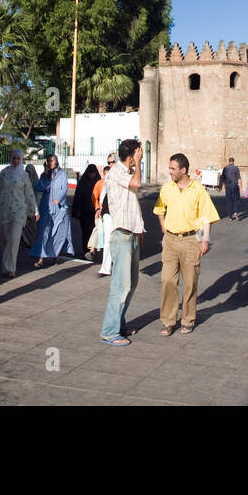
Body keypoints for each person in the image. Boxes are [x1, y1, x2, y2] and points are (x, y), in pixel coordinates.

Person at [154, 152, 220, 335]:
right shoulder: (167, 188)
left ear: (183, 170)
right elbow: (160, 209)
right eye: (169, 168)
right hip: (171, 240)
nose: (170, 172)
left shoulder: (198, 190)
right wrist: (163, 226)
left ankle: (188, 319)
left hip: (192, 240)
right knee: (167, 280)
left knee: (190, 282)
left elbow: (206, 216)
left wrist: (205, 240)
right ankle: (168, 320)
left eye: (173, 168)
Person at [100, 138, 145, 346]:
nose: (142, 154)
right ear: (134, 153)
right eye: (140, 151)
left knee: (131, 283)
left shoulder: (126, 173)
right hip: (121, 234)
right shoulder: (118, 171)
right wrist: (138, 163)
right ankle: (109, 331)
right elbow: (137, 183)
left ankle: (118, 323)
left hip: (132, 233)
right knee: (121, 284)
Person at [0, 149, 39, 278]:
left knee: (14, 239)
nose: (15, 161)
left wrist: (35, 210)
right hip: (4, 210)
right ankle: (6, 266)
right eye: (14, 158)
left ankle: (10, 269)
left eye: (18, 159)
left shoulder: (24, 175)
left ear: (21, 160)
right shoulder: (4, 173)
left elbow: (29, 194)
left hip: (19, 211)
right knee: (6, 240)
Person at [31, 154, 73, 267]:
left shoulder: (62, 174)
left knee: (58, 232)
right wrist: (45, 177)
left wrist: (58, 199)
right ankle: (41, 258)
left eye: (53, 161)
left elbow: (64, 188)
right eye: (49, 161)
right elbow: (39, 187)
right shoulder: (44, 176)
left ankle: (55, 254)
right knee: (43, 232)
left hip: (58, 207)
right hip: (46, 207)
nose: (51, 163)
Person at [73, 163, 101, 260]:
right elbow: (78, 197)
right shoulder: (83, 182)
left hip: (94, 212)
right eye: (90, 173)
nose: (92, 175)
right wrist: (77, 210)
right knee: (85, 231)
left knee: (93, 231)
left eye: (93, 173)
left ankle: (91, 250)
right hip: (84, 212)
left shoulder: (98, 182)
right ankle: (85, 249)